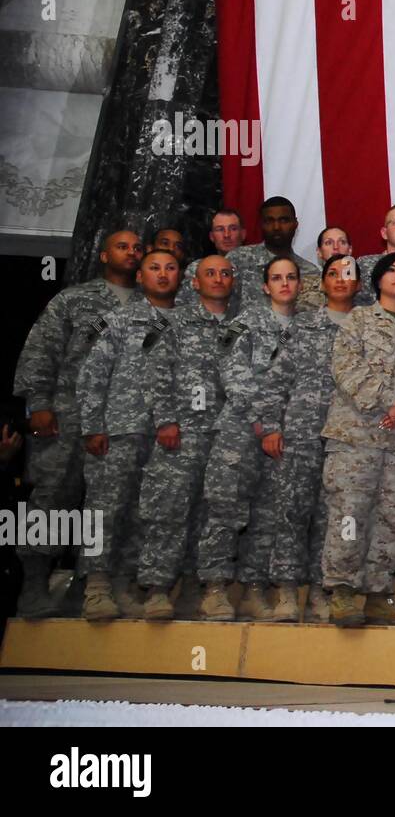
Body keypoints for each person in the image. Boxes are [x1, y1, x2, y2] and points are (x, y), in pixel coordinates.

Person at [13, 228, 141, 617]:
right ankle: (33, 585)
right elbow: (41, 351)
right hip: (66, 417)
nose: (131, 253)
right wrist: (38, 403)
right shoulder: (74, 299)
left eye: (138, 248)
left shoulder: (148, 305)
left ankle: (91, 583)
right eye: (122, 247)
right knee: (52, 498)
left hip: (120, 418)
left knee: (110, 505)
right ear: (104, 255)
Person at [250, 254, 363, 624]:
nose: (341, 280)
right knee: (290, 513)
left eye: (349, 274)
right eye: (333, 274)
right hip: (300, 435)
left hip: (346, 440)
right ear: (323, 283)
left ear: (359, 285)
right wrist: (271, 426)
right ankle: (285, 593)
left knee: (333, 518)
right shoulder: (302, 327)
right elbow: (276, 380)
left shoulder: (366, 328)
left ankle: (320, 591)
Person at [319, 253, 395, 628]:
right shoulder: (358, 320)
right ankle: (343, 590)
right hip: (356, 437)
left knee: (392, 518)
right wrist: (389, 402)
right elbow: (346, 368)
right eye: (392, 271)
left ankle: (379, 593)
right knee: (349, 514)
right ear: (378, 280)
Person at [76, 248, 181, 619]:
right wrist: (92, 426)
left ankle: (126, 583)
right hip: (119, 429)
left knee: (148, 512)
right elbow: (91, 375)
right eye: (154, 268)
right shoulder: (117, 320)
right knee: (105, 509)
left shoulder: (188, 322)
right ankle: (96, 585)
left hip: (167, 437)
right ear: (140, 276)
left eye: (171, 268)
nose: (163, 274)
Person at [194, 257, 300, 621]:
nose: (284, 283)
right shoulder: (245, 323)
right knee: (226, 509)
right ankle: (215, 589)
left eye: (290, 277)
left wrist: (279, 424)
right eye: (276, 278)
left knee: (271, 514)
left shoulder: (306, 327)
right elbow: (233, 373)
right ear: (264, 286)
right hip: (241, 430)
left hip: (286, 434)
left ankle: (254, 590)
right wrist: (262, 419)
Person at [136, 254, 234, 620]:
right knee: (170, 508)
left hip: (225, 436)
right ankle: (158, 589)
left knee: (218, 512)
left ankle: (211, 587)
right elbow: (155, 371)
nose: (218, 279)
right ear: (195, 282)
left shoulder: (241, 328)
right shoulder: (172, 324)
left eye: (225, 273)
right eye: (210, 273)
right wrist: (164, 420)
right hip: (183, 432)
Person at [223, 197, 320, 316]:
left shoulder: (310, 271)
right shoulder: (238, 259)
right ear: (261, 225)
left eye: (284, 220)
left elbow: (313, 318)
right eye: (269, 221)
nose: (276, 227)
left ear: (295, 224)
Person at [177, 210, 245, 308]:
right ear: (212, 237)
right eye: (220, 229)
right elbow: (183, 306)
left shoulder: (258, 265)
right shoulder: (196, 268)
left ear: (243, 234)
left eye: (233, 229)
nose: (227, 235)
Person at [296, 226, 352, 312]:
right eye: (329, 243)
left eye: (342, 242)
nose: (336, 247)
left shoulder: (364, 280)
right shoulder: (304, 285)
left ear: (350, 250)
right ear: (319, 252)